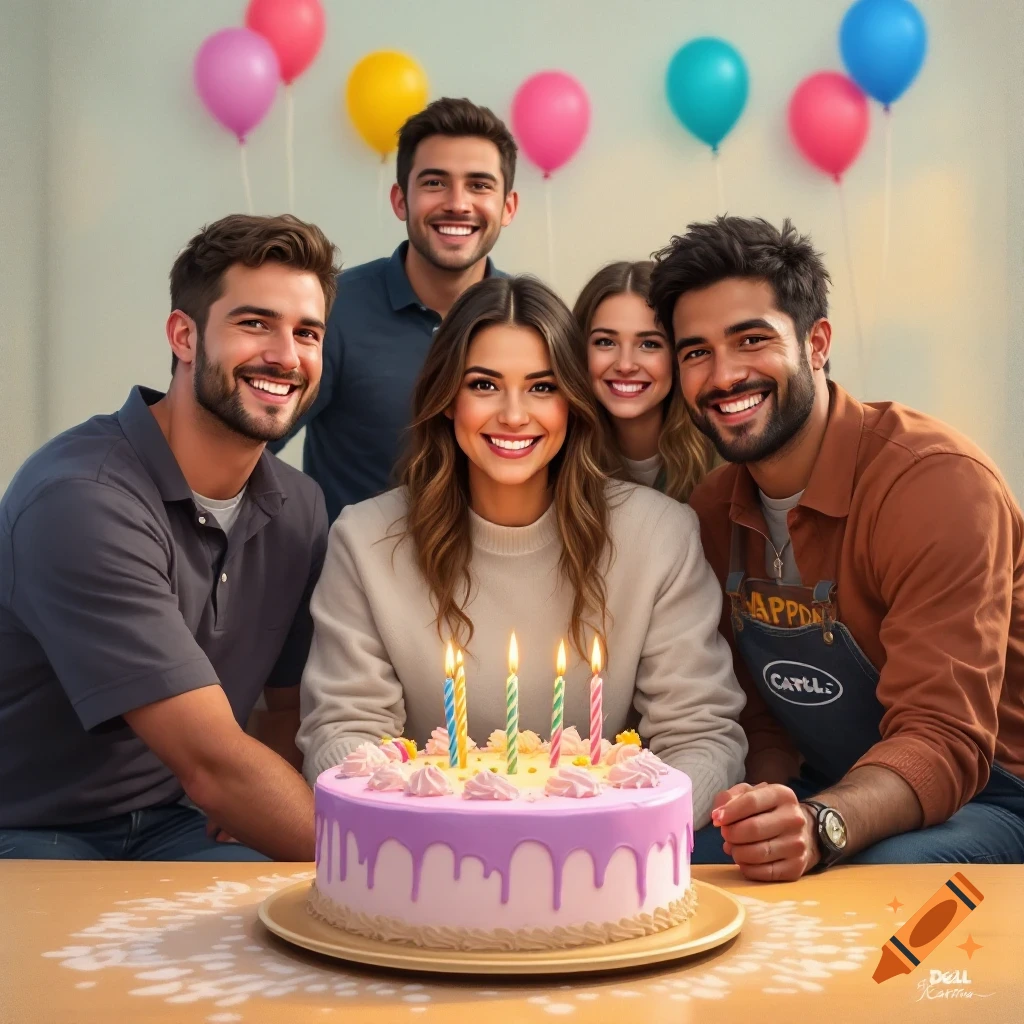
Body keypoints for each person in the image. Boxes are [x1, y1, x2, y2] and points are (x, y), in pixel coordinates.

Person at [296, 275, 748, 828]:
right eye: (484, 385)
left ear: (573, 404)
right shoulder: (366, 541)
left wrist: (618, 831)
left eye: (541, 387)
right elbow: (342, 732)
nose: (514, 415)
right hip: (427, 861)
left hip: (606, 866)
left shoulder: (659, 537)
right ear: (445, 399)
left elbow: (702, 735)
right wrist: (453, 832)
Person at [647, 215, 1024, 877]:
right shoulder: (710, 512)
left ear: (816, 343)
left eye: (751, 339)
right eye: (696, 351)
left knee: (882, 878)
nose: (724, 374)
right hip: (826, 788)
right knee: (669, 868)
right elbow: (759, 719)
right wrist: (761, 810)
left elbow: (945, 738)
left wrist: (822, 825)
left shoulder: (935, 484)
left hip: (991, 797)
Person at [0, 213, 340, 861]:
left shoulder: (300, 508)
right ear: (184, 336)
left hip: (177, 822)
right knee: (86, 961)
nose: (286, 355)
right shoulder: (81, 498)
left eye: (307, 333)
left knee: (292, 932)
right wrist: (397, 869)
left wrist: (255, 811)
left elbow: (284, 711)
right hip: (27, 826)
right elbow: (212, 766)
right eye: (254, 323)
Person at [269, 97, 519, 523]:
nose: (458, 203)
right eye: (435, 183)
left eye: (479, 185)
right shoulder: (331, 312)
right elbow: (246, 443)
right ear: (400, 200)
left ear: (508, 207)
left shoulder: (528, 323)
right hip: (355, 581)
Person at [573, 261, 713, 500]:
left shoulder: (722, 452)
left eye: (649, 344)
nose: (625, 365)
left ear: (678, 356)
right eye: (605, 342)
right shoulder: (561, 459)